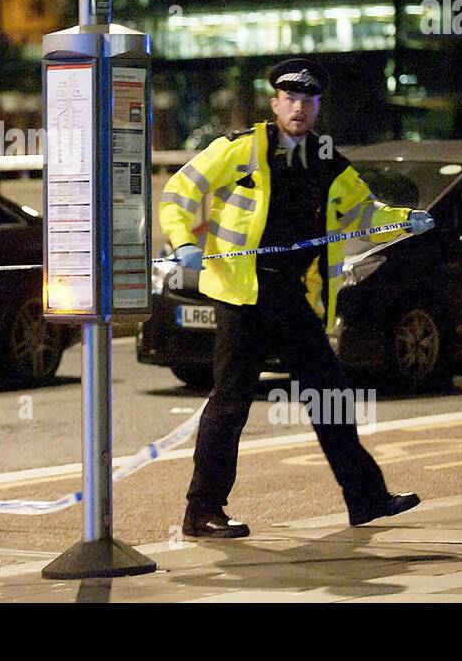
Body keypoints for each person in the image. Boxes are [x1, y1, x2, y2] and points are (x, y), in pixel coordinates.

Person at [160, 58, 434, 538]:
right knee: (230, 403)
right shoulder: (241, 149)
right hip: (242, 293)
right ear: (275, 103)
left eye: (308, 100)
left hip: (292, 295)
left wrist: (402, 218)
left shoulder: (328, 161)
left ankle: (366, 498)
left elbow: (361, 215)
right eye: (290, 98)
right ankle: (201, 511)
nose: (298, 107)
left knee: (330, 396)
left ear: (318, 106)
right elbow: (181, 190)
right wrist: (184, 242)